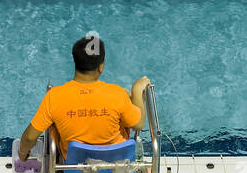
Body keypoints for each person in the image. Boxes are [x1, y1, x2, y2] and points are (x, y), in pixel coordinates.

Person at [16, 34, 150, 164]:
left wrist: (22, 154)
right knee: (125, 103)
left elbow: (29, 138)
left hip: (75, 168)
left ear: (75, 62)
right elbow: (138, 124)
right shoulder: (116, 94)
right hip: (115, 165)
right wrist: (137, 90)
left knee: (54, 125)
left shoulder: (55, 96)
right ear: (101, 67)